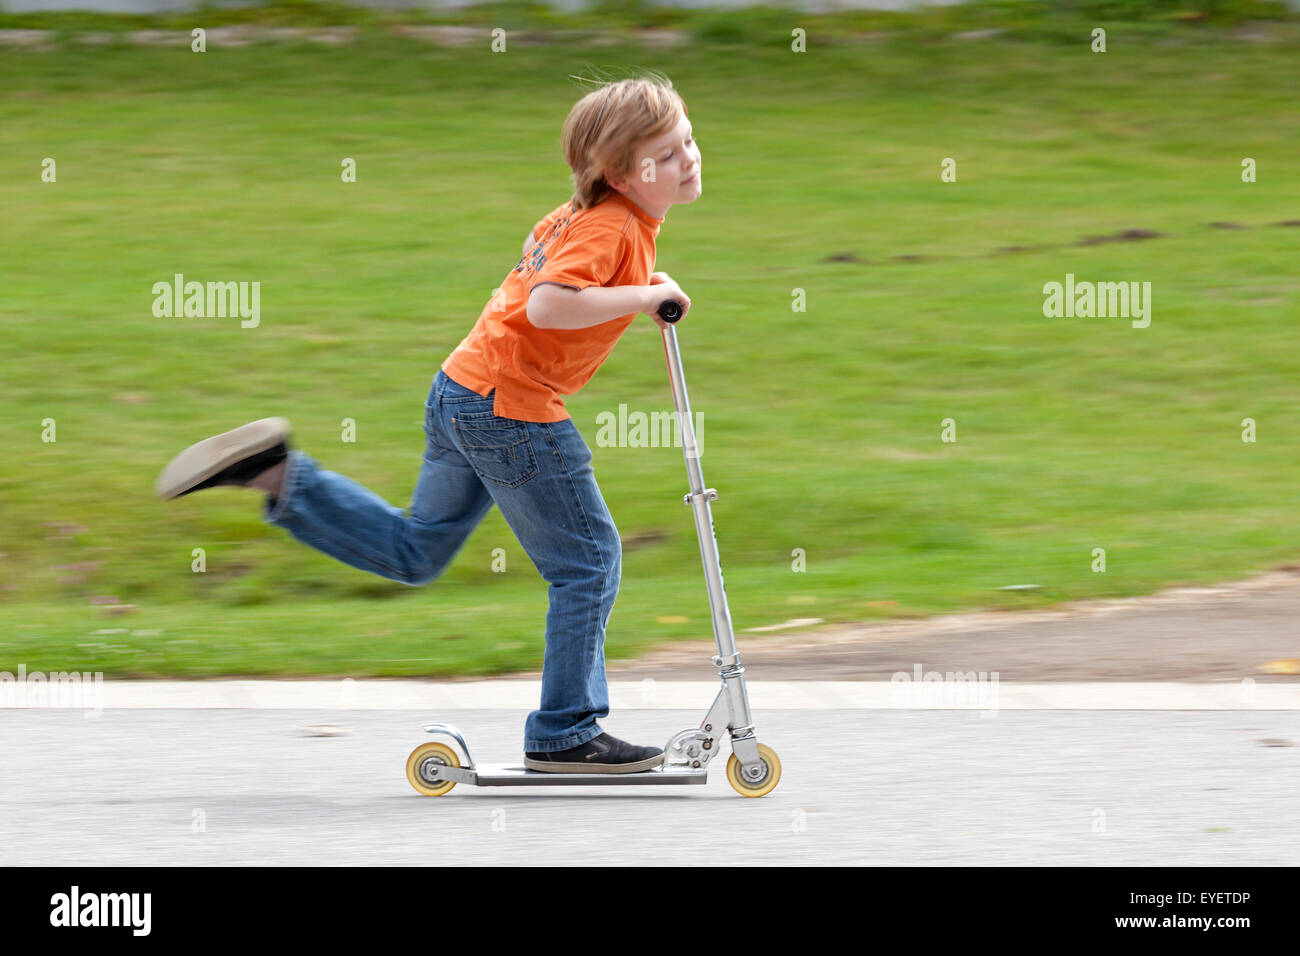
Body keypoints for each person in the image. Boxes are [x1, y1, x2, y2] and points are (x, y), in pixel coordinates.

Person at [155, 74, 702, 774]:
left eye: (688, 140)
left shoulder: (585, 215)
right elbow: (548, 305)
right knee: (588, 562)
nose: (688, 158)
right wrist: (644, 296)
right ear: (621, 176)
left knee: (417, 551)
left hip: (462, 391)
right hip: (511, 410)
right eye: (666, 154)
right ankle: (566, 734)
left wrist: (638, 289)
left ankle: (278, 474)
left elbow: (549, 273)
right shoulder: (613, 225)